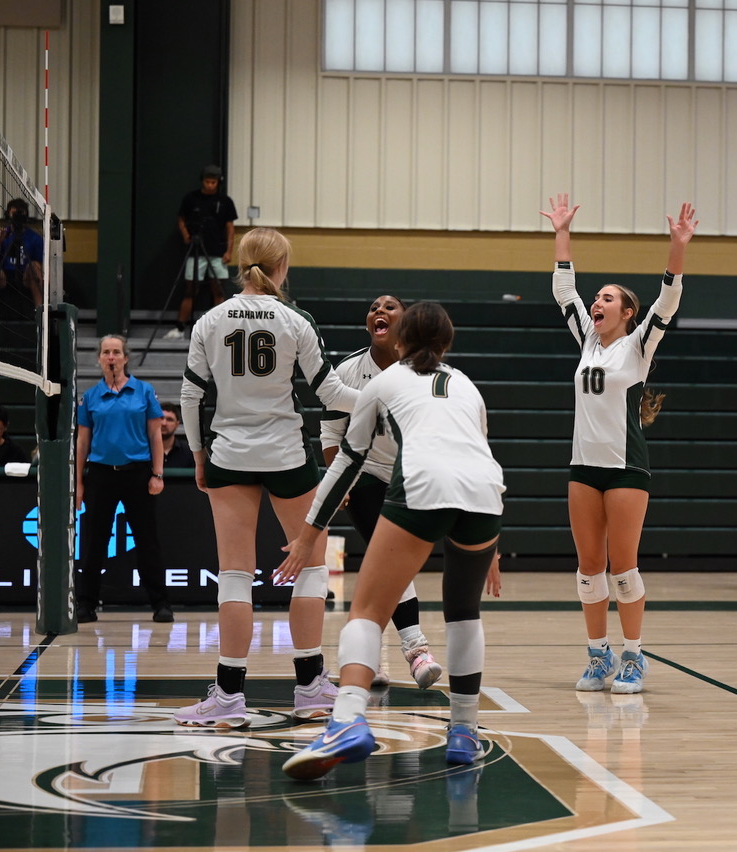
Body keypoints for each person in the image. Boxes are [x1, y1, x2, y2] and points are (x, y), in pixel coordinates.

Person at [280, 301, 505, 779]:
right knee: (465, 614)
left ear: (399, 340)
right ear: (446, 343)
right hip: (485, 496)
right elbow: (480, 454)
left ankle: (346, 720)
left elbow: (345, 464)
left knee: (366, 611)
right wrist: (493, 548)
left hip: (422, 485)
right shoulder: (466, 384)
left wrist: (306, 535)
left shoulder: (380, 384)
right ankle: (464, 731)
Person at [176, 226, 358, 727]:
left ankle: (229, 696)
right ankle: (310, 689)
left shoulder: (210, 319)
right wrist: (385, 398)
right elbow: (331, 393)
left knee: (235, 574)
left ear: (240, 265)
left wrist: (198, 455)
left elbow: (190, 397)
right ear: (282, 267)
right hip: (285, 454)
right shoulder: (295, 320)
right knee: (313, 568)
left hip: (229, 453)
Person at [542, 192, 696, 696]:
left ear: (628, 312)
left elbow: (668, 301)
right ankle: (597, 656)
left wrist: (678, 247)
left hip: (627, 468)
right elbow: (564, 290)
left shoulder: (638, 345)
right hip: (583, 467)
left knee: (623, 569)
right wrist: (562, 233)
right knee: (589, 571)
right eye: (597, 298)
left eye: (608, 299)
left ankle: (633, 656)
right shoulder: (586, 340)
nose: (597, 303)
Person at [319, 294, 443, 690]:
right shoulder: (349, 370)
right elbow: (330, 433)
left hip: (411, 476)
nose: (379, 311)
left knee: (385, 566)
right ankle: (416, 649)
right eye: (374, 307)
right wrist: (339, 480)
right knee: (389, 559)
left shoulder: (426, 373)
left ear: (405, 321)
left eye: (390, 307)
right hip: (366, 475)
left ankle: (367, 656)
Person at [74, 335, 173, 624]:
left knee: (147, 540)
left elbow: (155, 435)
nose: (111, 357)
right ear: (99, 359)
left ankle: (161, 603)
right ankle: (86, 604)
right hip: (101, 474)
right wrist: (78, 482)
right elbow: (82, 442)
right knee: (94, 541)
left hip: (137, 473)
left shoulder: (143, 391)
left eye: (116, 352)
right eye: (106, 352)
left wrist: (157, 474)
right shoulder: (91, 396)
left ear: (125, 358)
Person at [166, 165, 238, 339]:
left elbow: (230, 228)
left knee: (218, 290)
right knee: (190, 290)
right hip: (195, 251)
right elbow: (181, 218)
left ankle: (220, 328)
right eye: (207, 182)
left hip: (218, 252)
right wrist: (186, 235)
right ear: (202, 181)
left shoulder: (225, 201)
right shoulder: (191, 198)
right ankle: (180, 328)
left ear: (218, 182)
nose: (210, 185)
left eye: (213, 182)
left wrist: (229, 251)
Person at [0, 198, 43, 321]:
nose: (17, 217)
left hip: (26, 276)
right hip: (4, 275)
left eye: (20, 214)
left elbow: (40, 265)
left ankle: (40, 312)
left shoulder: (35, 238)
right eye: (14, 214)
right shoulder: (1, 234)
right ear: (8, 214)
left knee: (35, 266)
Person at [159, 402, 195, 468]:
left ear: (177, 424)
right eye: (161, 418)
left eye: (169, 420)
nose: (164, 423)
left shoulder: (189, 451)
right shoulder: (144, 451)